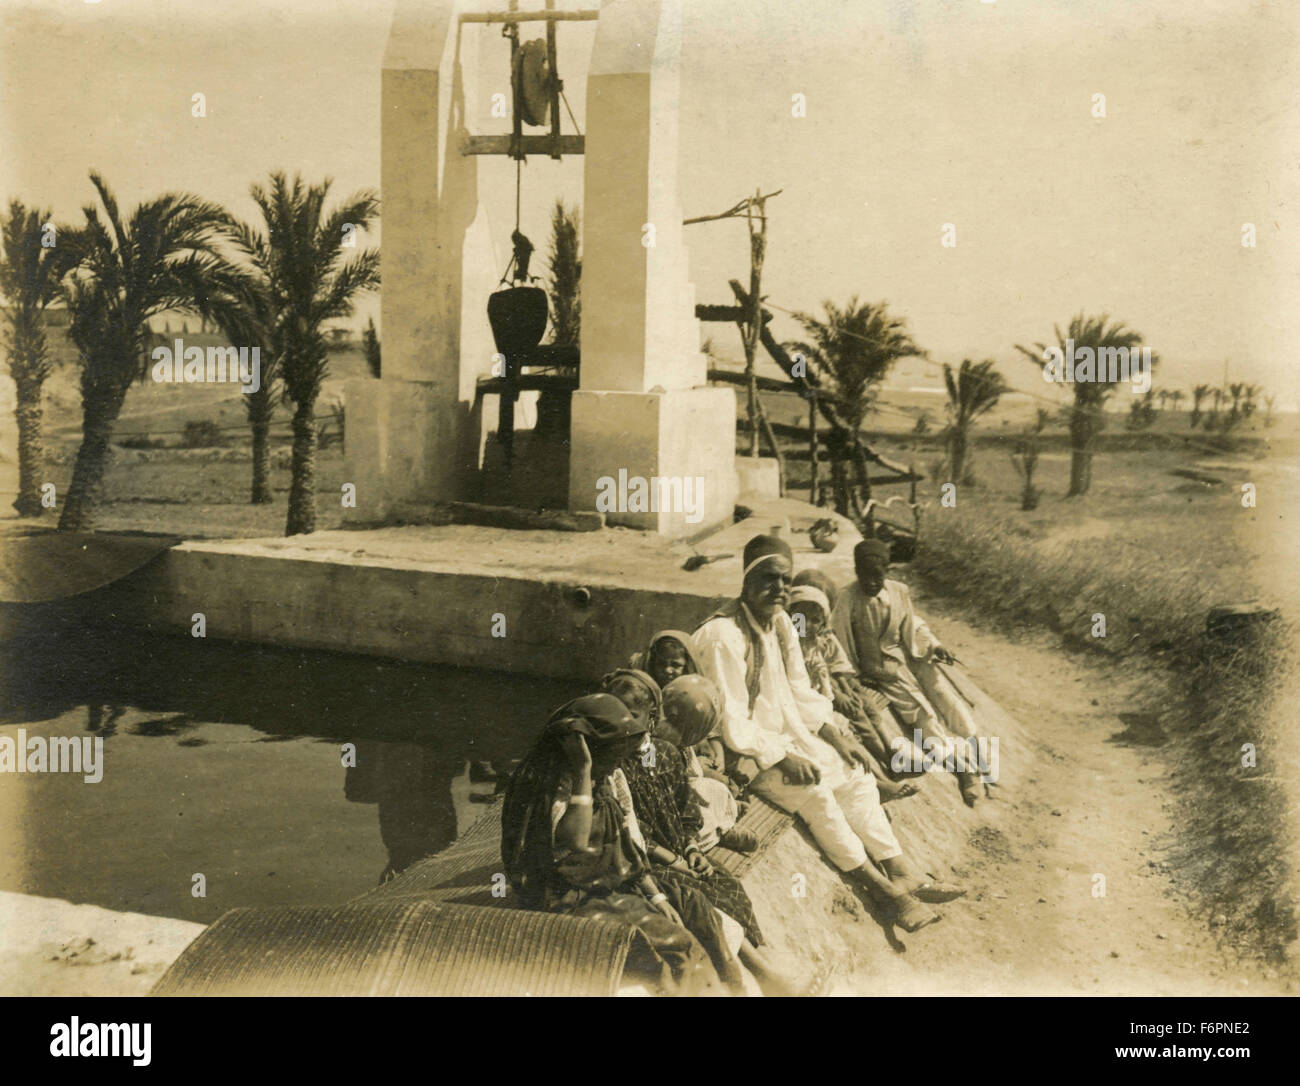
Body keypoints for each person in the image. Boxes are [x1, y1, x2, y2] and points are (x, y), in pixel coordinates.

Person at [693, 534, 963, 932]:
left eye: (785, 580)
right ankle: (885, 893)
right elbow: (733, 722)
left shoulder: (781, 621)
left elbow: (800, 691)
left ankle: (901, 869)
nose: (779, 589)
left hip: (790, 735)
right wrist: (782, 757)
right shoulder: (723, 637)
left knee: (854, 773)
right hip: (744, 751)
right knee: (817, 797)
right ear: (746, 580)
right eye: (768, 579)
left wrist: (835, 736)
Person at [500, 692, 730, 995]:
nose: (618, 765)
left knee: (691, 905)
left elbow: (630, 841)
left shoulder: (611, 777)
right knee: (671, 949)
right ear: (586, 751)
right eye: (611, 757)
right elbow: (577, 841)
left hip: (614, 883)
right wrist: (583, 771)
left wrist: (657, 897)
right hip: (567, 899)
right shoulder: (552, 786)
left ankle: (734, 986)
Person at [602, 669, 800, 996]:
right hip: (648, 860)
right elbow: (630, 832)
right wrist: (675, 859)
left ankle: (765, 961)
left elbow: (685, 811)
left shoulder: (665, 754)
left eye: (639, 719)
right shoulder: (615, 767)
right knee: (698, 897)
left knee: (726, 883)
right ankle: (757, 974)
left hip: (679, 851)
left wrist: (692, 849)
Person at [832, 539, 986, 807]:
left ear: (887, 572)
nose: (871, 582)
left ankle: (979, 752)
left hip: (906, 660)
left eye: (877, 576)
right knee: (921, 716)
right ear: (856, 572)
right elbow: (840, 641)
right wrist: (854, 676)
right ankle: (964, 770)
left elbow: (912, 625)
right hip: (877, 673)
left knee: (943, 696)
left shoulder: (899, 591)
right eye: (865, 576)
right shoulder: (847, 599)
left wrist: (935, 645)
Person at [785, 584, 921, 803]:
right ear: (789, 616)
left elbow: (833, 670)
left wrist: (842, 691)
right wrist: (837, 697)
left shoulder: (818, 641)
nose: (807, 625)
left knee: (865, 708)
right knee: (846, 730)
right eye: (800, 619)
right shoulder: (788, 645)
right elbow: (801, 687)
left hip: (823, 698)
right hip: (807, 705)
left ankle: (889, 761)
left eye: (815, 620)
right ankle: (878, 782)